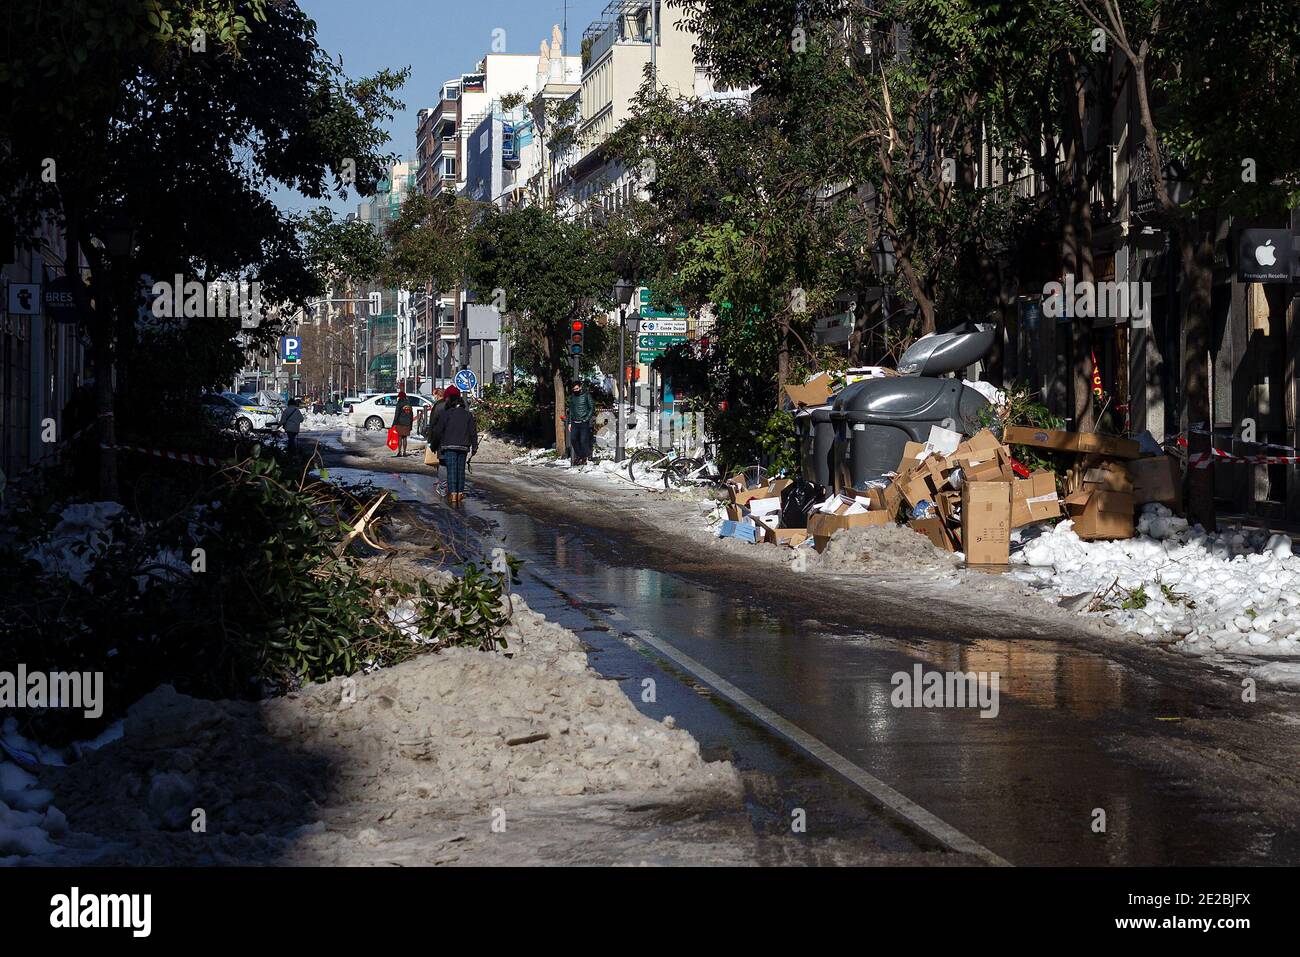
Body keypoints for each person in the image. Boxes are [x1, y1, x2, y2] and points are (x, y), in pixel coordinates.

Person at [428, 390, 477, 503]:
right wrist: (474, 447)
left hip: (448, 446)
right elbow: (472, 432)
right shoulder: (468, 415)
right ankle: (460, 494)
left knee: (451, 471)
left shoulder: (446, 414)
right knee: (460, 470)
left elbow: (438, 432)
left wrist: (434, 446)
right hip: (463, 446)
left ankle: (453, 494)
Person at [567, 381, 594, 466]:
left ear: (580, 387)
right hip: (574, 422)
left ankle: (584, 457)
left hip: (583, 422)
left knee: (583, 440)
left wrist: (586, 419)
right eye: (574, 389)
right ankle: (581, 456)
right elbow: (571, 410)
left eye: (577, 388)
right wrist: (570, 422)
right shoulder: (572, 397)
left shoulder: (586, 395)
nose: (575, 390)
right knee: (573, 440)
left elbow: (592, 407)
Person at [392, 386, 415, 457]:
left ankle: (399, 452)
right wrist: (410, 424)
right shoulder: (409, 403)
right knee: (405, 438)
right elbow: (411, 415)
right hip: (407, 423)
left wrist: (393, 424)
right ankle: (404, 452)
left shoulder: (399, 403)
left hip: (400, 423)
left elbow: (397, 414)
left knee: (399, 437)